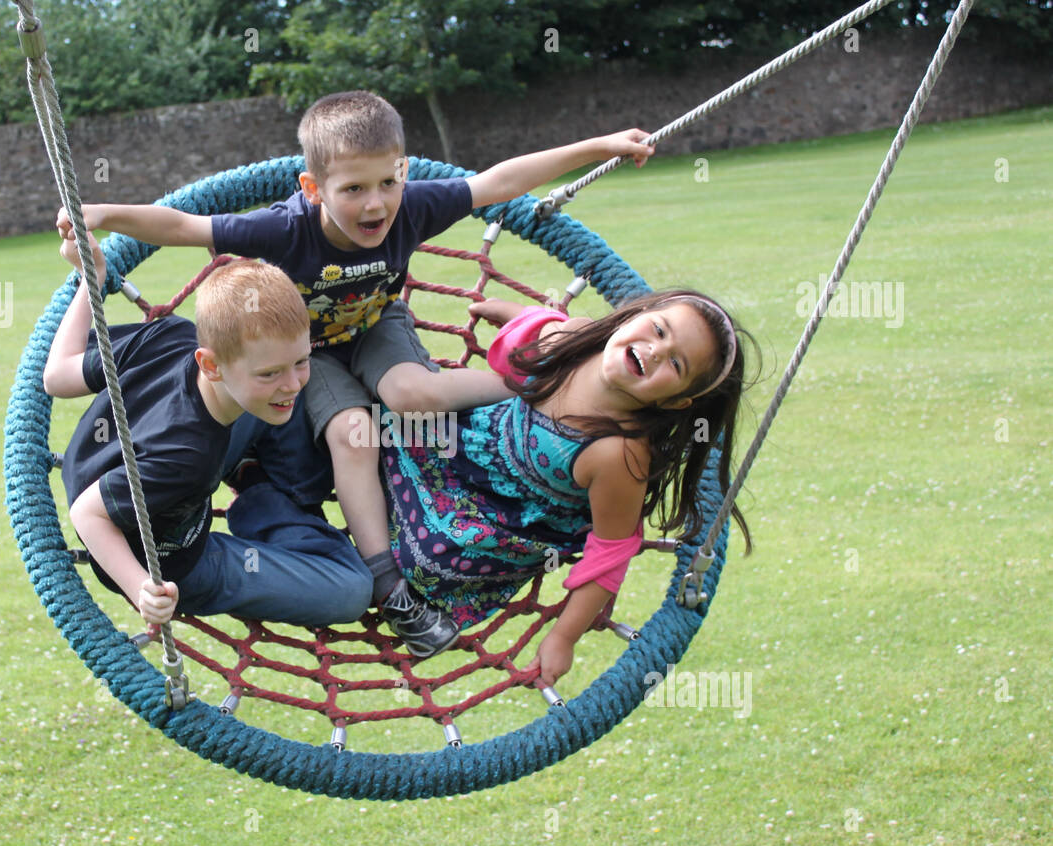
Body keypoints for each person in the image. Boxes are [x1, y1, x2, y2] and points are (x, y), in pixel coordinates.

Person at [54, 89, 656, 659]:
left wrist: (599, 145)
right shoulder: (283, 228)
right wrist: (102, 213)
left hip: (376, 326)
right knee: (351, 433)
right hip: (306, 355)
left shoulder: (412, 206)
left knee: (410, 393)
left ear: (404, 173)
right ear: (313, 188)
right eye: (353, 189)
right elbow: (187, 227)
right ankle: (388, 583)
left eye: (389, 181)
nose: (376, 203)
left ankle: (543, 377)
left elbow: (498, 181)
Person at [379, 291, 753, 685]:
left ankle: (376, 541)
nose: (656, 350)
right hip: (467, 444)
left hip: (500, 517)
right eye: (658, 329)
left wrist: (563, 636)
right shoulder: (576, 341)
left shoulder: (617, 454)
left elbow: (610, 553)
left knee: (430, 560)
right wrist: (511, 314)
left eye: (676, 363)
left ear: (677, 402)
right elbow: (540, 330)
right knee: (392, 412)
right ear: (634, 316)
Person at [44, 235, 372, 631]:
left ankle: (268, 480)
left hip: (153, 456)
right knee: (351, 590)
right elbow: (87, 512)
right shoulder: (186, 457)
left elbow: (58, 375)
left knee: (282, 395)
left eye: (299, 360)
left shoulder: (172, 335)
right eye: (270, 372)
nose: (291, 382)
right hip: (176, 556)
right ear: (210, 364)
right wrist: (140, 587)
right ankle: (270, 504)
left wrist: (90, 280)